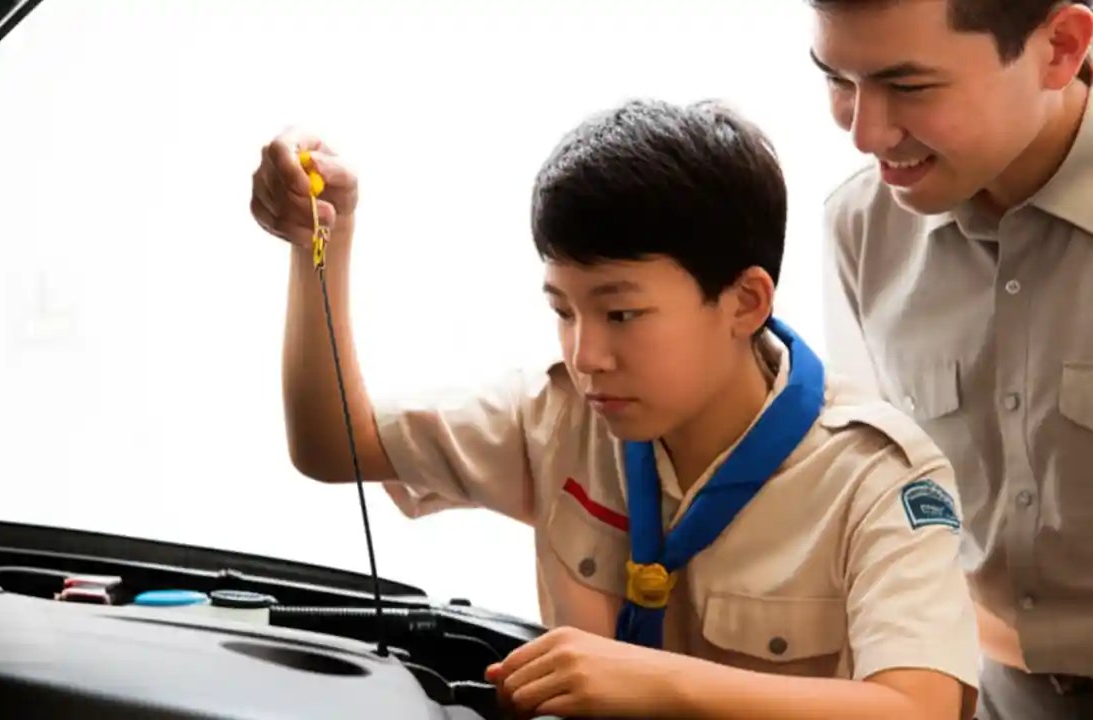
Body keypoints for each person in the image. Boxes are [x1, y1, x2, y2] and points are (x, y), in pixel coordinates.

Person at [251, 98, 980, 719]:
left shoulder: (876, 479)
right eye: (563, 311)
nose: (586, 354)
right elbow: (332, 447)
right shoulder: (562, 415)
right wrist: (321, 239)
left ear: (745, 302)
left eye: (622, 315)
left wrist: (657, 685)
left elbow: (919, 707)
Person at [812, 0, 1093, 716]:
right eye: (837, 79)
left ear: (1059, 47)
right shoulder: (862, 226)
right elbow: (881, 485)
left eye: (908, 87)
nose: (864, 133)